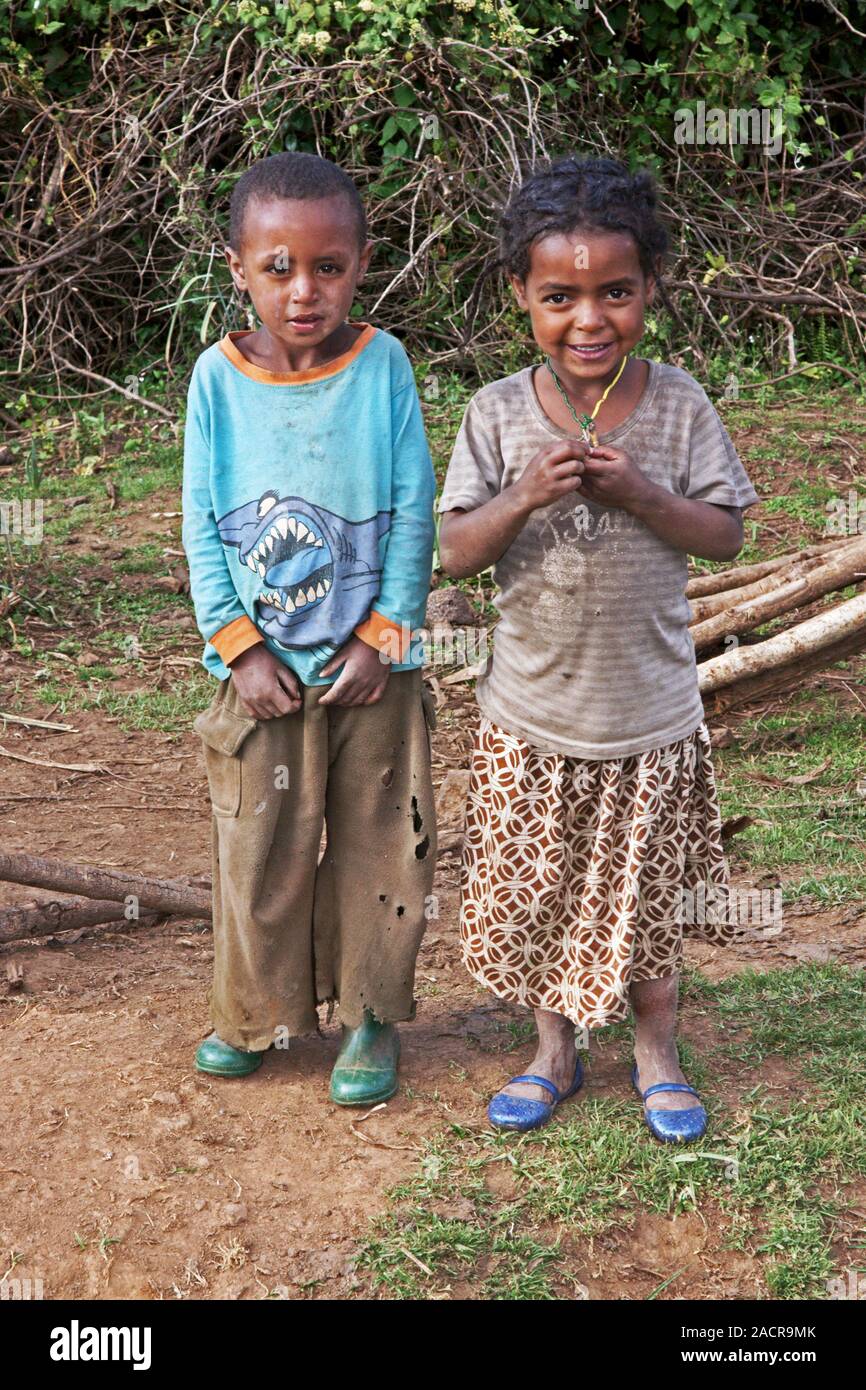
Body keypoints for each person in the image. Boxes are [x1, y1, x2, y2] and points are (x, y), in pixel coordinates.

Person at [437, 156, 760, 1141]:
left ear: (650, 286)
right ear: (519, 297)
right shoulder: (494, 412)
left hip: (649, 715)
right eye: (559, 296)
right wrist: (524, 493)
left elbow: (725, 532)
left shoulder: (677, 405)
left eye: (613, 292)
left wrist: (643, 496)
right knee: (541, 893)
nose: (588, 319)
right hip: (529, 719)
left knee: (649, 894)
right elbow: (450, 552)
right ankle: (552, 1050)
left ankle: (655, 1045)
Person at [182, 151, 437, 1106]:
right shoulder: (216, 380)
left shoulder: (384, 368)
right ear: (237, 265)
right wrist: (239, 648)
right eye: (278, 266)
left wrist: (385, 635)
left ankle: (372, 1016)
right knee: (260, 848)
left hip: (374, 668)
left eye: (327, 267)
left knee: (383, 844)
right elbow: (203, 524)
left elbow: (413, 512)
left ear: (361, 263)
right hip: (265, 675)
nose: (303, 291)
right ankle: (258, 1013)